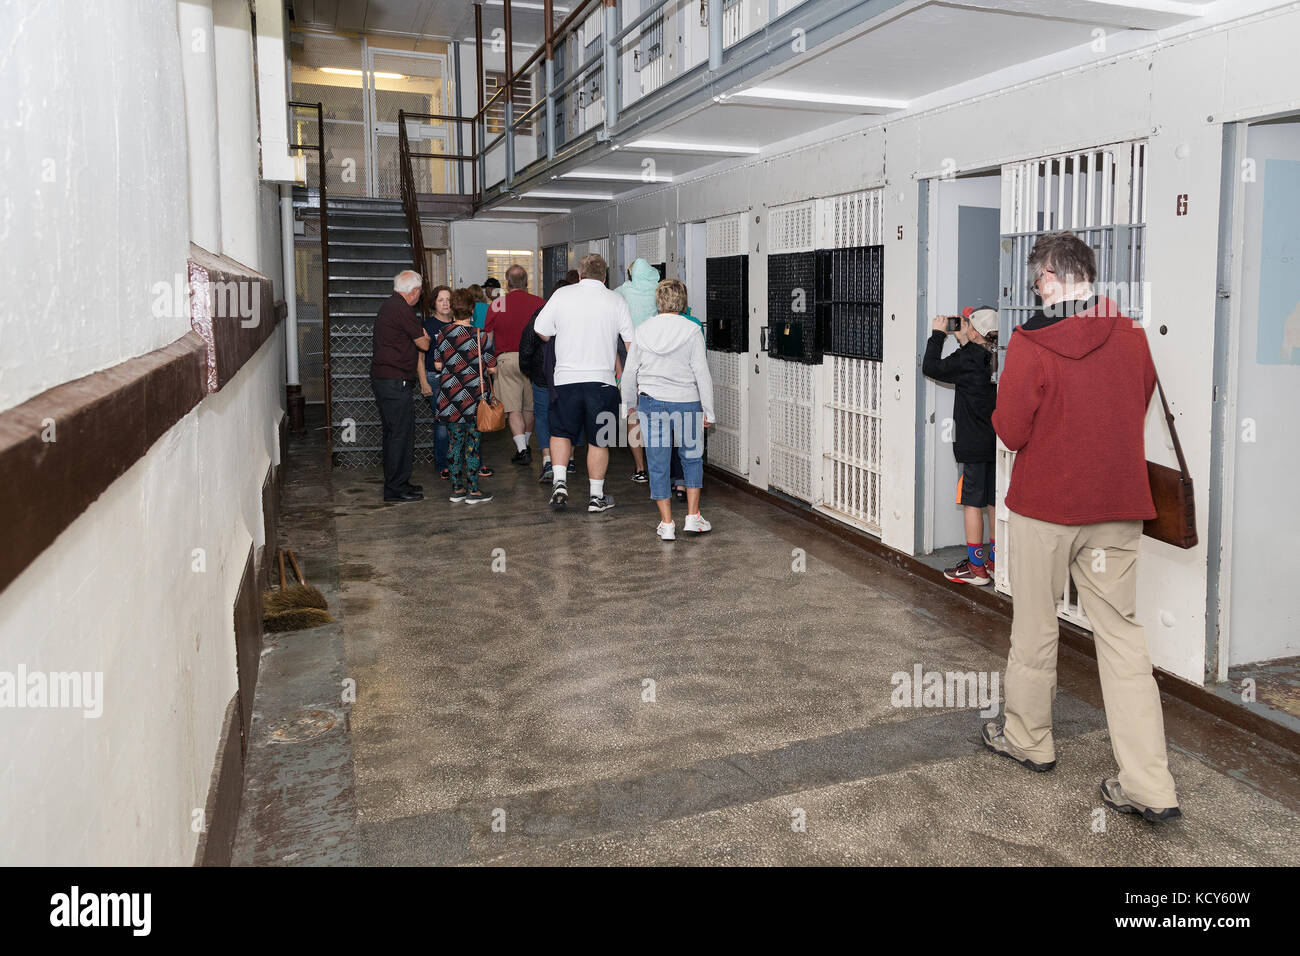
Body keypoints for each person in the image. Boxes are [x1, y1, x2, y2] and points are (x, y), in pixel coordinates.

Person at [983, 230, 1180, 822]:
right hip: (1116, 509)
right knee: (1121, 640)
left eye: (1037, 279)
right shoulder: (1134, 336)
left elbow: (1011, 431)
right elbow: (1136, 402)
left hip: (1047, 509)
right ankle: (1149, 786)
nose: (1036, 289)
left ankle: (1028, 739)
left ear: (1049, 277)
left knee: (1037, 626)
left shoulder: (1030, 342)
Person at [533, 253, 633, 513]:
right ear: (605, 276)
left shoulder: (562, 295)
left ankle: (559, 482)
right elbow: (631, 344)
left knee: (560, 433)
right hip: (603, 383)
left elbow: (541, 330)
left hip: (565, 380)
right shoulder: (616, 300)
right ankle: (596, 497)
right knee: (599, 440)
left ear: (579, 274)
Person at [622, 279, 715, 540]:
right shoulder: (692, 330)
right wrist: (708, 410)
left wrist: (628, 405)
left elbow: (630, 373)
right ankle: (693, 517)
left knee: (658, 460)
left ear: (658, 301)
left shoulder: (642, 330)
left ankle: (666, 523)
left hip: (652, 402)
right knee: (692, 457)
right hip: (687, 401)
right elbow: (701, 374)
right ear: (682, 302)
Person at [922, 306, 999, 585]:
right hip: (997, 442)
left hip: (972, 445)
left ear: (975, 330)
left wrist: (938, 335)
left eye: (967, 323)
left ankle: (976, 569)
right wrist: (964, 338)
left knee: (971, 503)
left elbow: (931, 367)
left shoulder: (967, 358)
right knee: (993, 502)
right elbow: (976, 359)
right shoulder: (998, 355)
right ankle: (994, 561)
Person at [432, 289, 498, 505]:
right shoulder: (481, 337)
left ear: (452, 308)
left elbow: (438, 365)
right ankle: (474, 491)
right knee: (473, 443)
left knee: (454, 443)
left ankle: (456, 489)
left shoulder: (442, 333)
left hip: (450, 397)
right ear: (472, 310)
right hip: (474, 398)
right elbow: (492, 369)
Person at [370, 270, 431, 503]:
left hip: (387, 380)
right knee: (400, 435)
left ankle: (399, 482)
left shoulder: (390, 306)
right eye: (419, 292)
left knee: (394, 434)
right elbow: (423, 344)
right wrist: (425, 336)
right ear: (414, 291)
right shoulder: (403, 310)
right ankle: (396, 488)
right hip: (395, 381)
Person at [490, 264, 546, 466]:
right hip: (533, 359)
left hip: (506, 359)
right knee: (529, 406)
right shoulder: (539, 302)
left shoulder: (498, 304)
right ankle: (526, 445)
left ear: (507, 282)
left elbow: (487, 335)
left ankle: (522, 449)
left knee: (513, 407)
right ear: (526, 283)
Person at [615, 258, 662, 483]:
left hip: (628, 360)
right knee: (655, 416)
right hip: (656, 362)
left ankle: (640, 468)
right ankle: (658, 468)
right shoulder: (659, 292)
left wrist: (618, 371)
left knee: (632, 414)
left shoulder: (622, 292)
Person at [519, 278, 568, 482]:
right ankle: (567, 459)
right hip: (566, 377)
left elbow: (526, 349)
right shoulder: (575, 318)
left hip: (541, 377)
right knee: (565, 418)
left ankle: (548, 460)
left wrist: (530, 371)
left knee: (542, 417)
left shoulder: (538, 317)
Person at [417, 285, 453, 480]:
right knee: (441, 422)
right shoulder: (427, 326)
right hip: (435, 378)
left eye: (448, 299)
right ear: (434, 304)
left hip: (457, 380)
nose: (445, 303)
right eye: (441, 300)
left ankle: (458, 459)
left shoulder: (458, 324)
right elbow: (420, 358)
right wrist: (423, 381)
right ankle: (442, 464)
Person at [464, 284, 496, 478]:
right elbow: (489, 341)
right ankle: (476, 467)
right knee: (476, 425)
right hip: (480, 372)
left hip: (459, 382)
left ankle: (455, 476)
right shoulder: (487, 309)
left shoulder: (450, 330)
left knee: (457, 432)